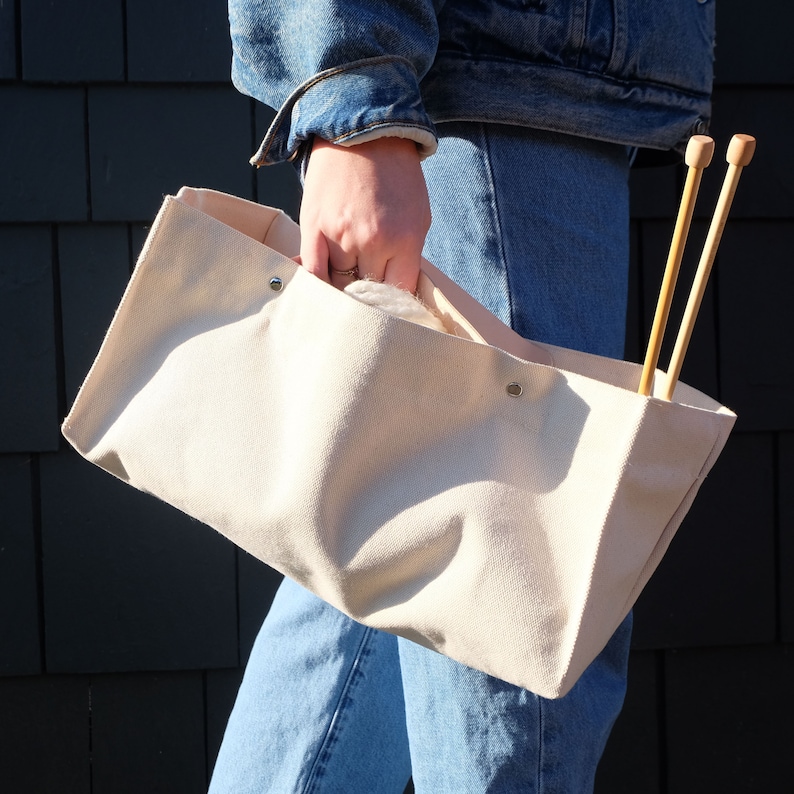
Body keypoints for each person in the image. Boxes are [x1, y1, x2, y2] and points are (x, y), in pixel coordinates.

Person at [210, 1, 715, 791]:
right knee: (521, 617)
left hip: (515, 81)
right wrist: (357, 101)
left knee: (388, 559)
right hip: (496, 93)